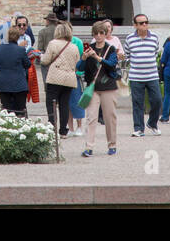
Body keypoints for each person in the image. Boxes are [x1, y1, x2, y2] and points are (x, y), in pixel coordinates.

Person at [77, 20, 119, 156]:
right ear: (93, 35)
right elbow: (79, 68)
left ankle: (112, 144)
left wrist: (98, 58)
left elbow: (112, 65)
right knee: (91, 117)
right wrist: (83, 58)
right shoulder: (89, 48)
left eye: (101, 33)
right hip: (93, 87)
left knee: (110, 117)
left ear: (106, 34)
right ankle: (89, 147)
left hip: (108, 87)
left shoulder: (111, 49)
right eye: (96, 33)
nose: (99, 36)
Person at [123, 13, 162, 137]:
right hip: (136, 76)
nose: (144, 24)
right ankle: (139, 128)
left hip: (152, 76)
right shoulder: (129, 39)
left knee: (157, 100)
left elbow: (155, 52)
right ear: (135, 25)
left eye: (146, 22)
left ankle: (152, 123)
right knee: (137, 103)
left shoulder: (154, 37)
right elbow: (127, 56)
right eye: (141, 23)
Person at [40, 21, 79, 137]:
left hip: (55, 77)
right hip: (69, 78)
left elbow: (45, 60)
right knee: (64, 104)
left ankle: (52, 126)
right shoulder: (74, 46)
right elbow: (77, 62)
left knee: (51, 102)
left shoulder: (53, 43)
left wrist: (41, 57)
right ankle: (63, 130)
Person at [0, 26, 32, 116]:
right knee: (20, 110)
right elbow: (28, 64)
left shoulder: (0, 49)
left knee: (6, 110)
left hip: (3, 83)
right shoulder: (21, 50)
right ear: (18, 37)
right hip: (19, 83)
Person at [67, 28, 87, 136]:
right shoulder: (59, 42)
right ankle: (70, 127)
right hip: (64, 75)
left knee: (77, 100)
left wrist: (78, 71)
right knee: (67, 102)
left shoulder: (77, 41)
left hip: (75, 74)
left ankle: (79, 126)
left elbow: (80, 58)